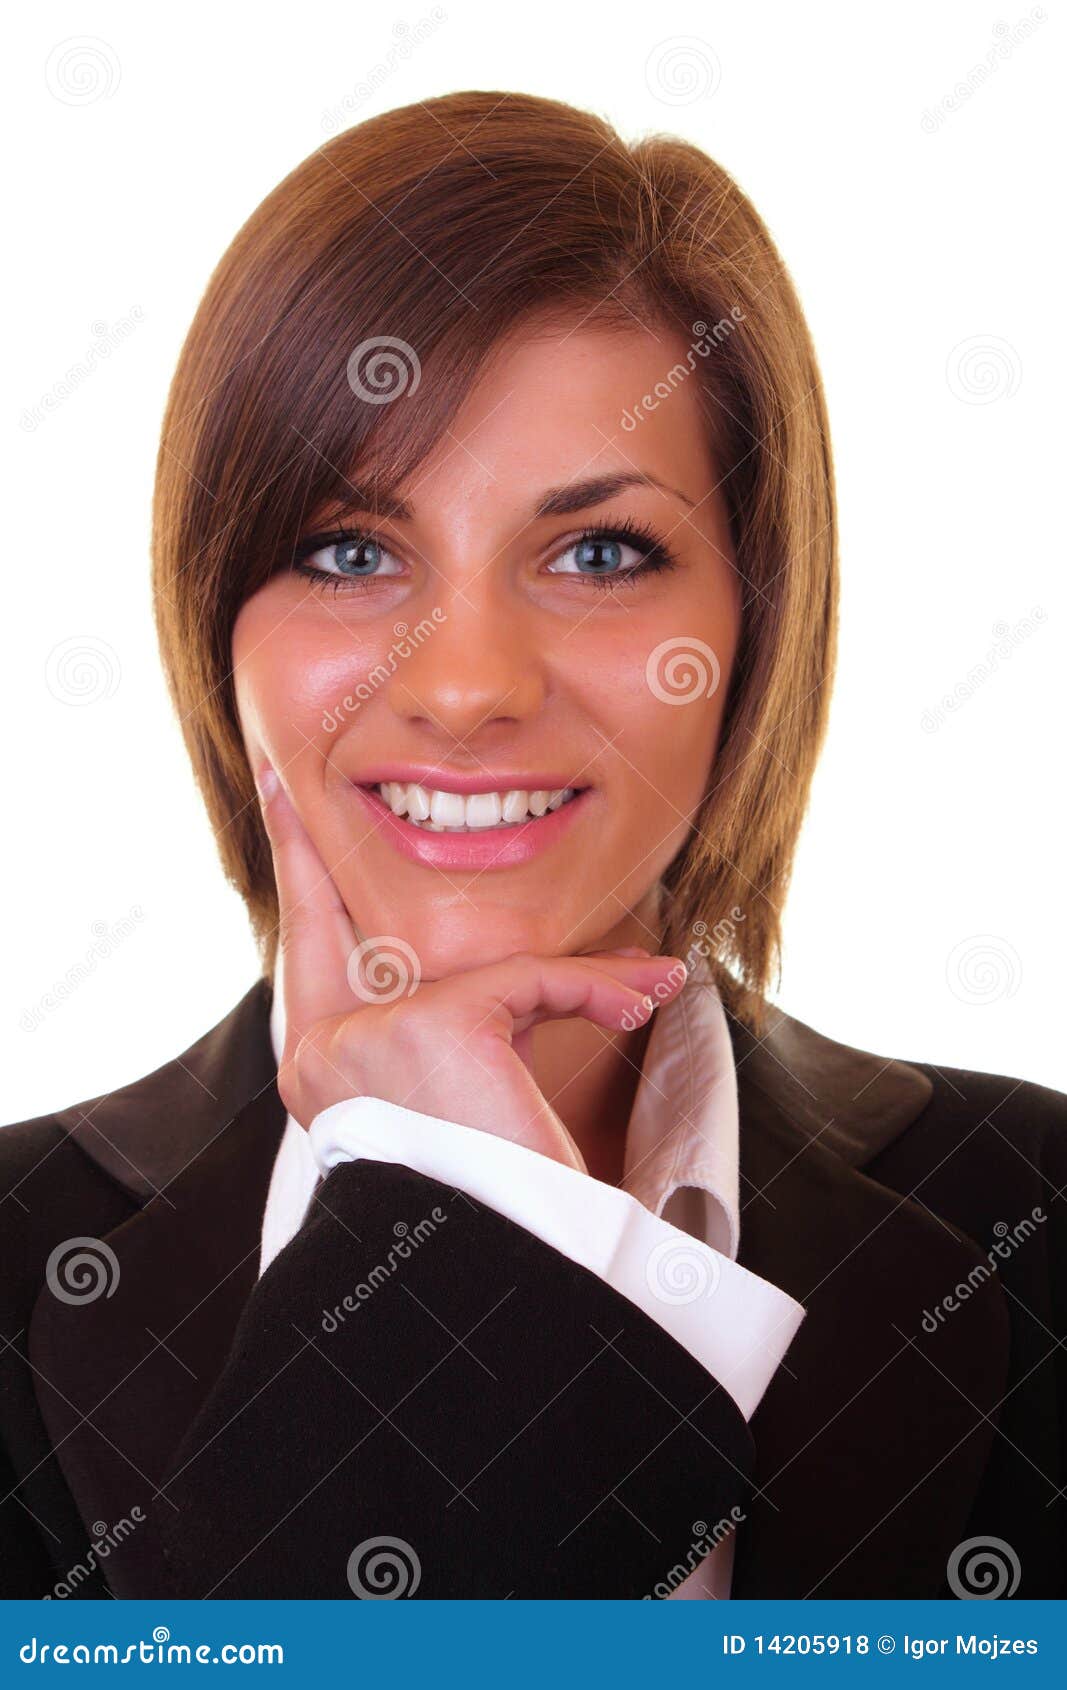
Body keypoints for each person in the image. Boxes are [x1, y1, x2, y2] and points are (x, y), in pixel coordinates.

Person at [2, 90, 1063, 1601]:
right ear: (218, 624)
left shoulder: (1034, 1212)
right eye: (350, 550)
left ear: (753, 630)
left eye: (599, 553)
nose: (463, 682)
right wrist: (445, 1218)